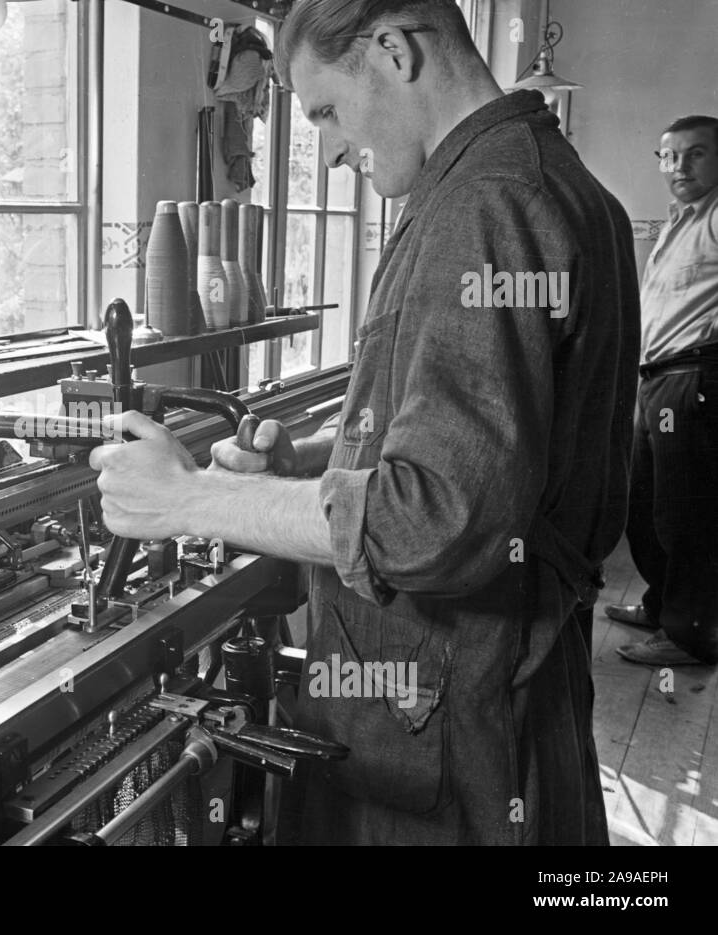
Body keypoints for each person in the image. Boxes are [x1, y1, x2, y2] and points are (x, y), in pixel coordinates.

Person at [88, 0, 639, 844]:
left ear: (394, 48)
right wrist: (313, 459)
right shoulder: (553, 184)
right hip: (501, 700)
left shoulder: (485, 206)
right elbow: (497, 451)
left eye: (326, 112)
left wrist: (189, 500)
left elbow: (436, 517)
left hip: (454, 736)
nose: (334, 149)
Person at [609, 116, 718, 668]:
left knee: (684, 513)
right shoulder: (680, 223)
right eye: (669, 156)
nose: (678, 167)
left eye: (695, 154)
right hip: (657, 380)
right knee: (646, 507)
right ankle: (663, 607)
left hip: (694, 378)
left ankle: (691, 635)